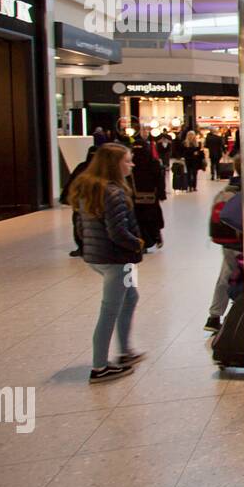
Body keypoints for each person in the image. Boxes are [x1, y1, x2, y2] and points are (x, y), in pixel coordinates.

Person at [69, 143, 145, 382]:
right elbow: (118, 232)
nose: (131, 165)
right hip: (117, 259)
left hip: (98, 256)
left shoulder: (88, 188)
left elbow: (81, 227)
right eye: (127, 161)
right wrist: (138, 243)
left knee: (130, 297)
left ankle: (125, 351)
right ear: (114, 164)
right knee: (109, 311)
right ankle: (99, 367)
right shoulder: (113, 192)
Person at [206, 156, 243, 333]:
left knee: (226, 274)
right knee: (239, 276)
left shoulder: (229, 188)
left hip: (228, 241)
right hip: (243, 242)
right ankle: (241, 314)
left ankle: (214, 316)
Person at [60, 145, 98, 257]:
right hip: (91, 202)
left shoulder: (82, 167)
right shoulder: (101, 169)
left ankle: (83, 247)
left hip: (81, 202)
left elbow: (71, 184)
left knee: (80, 224)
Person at [130, 142, 166, 250]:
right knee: (152, 219)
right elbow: (159, 179)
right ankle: (154, 237)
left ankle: (143, 242)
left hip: (135, 197)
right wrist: (161, 193)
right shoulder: (153, 162)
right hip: (151, 197)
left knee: (138, 220)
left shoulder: (131, 164)